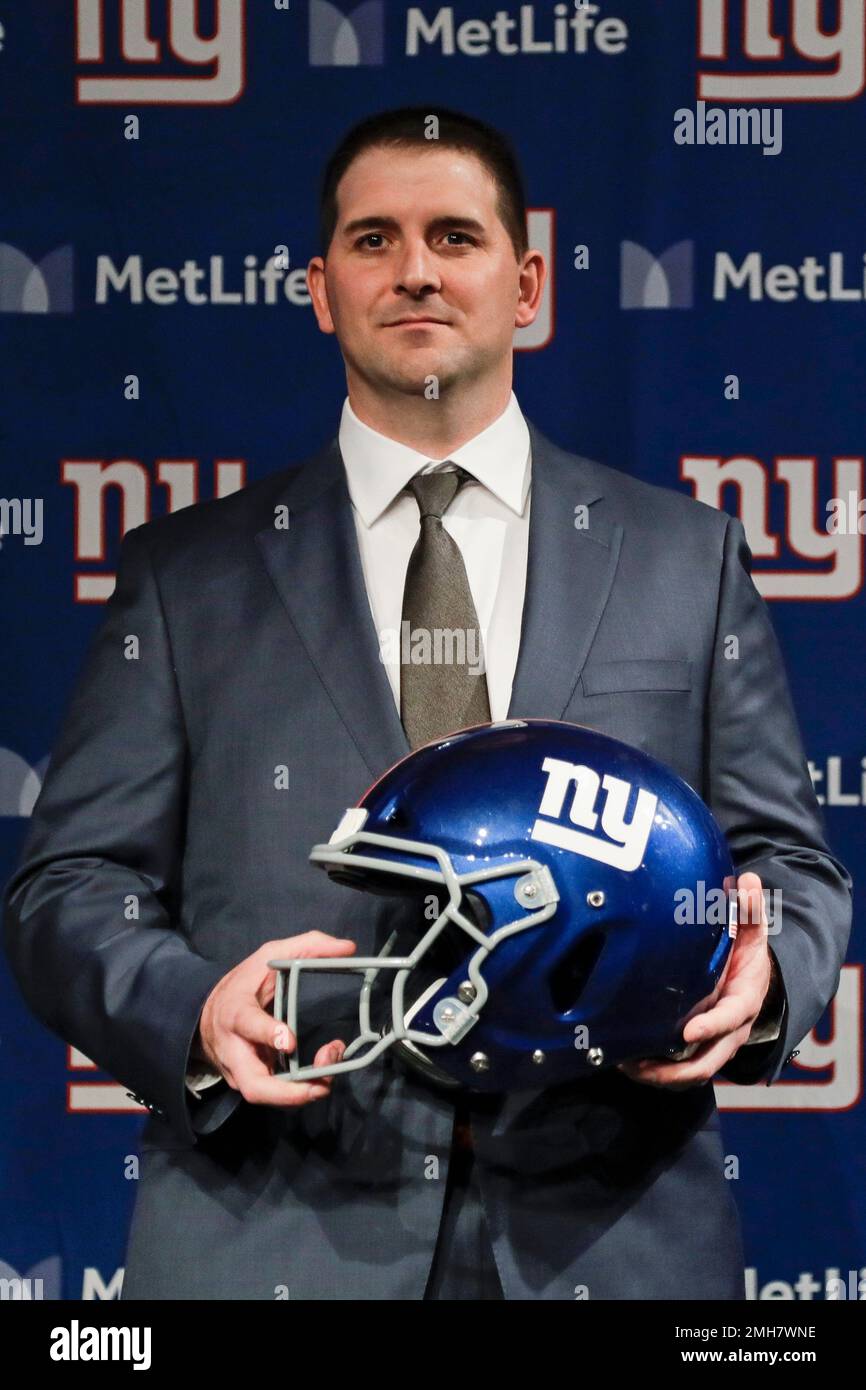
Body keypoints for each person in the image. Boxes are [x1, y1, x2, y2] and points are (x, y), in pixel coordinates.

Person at [3, 106, 852, 1301]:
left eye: (454, 236)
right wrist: (194, 1008)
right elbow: (67, 886)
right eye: (371, 240)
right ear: (317, 287)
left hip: (609, 1240)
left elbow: (786, 863)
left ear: (526, 282)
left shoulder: (684, 557)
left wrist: (764, 982)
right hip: (272, 1231)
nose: (414, 271)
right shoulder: (183, 576)